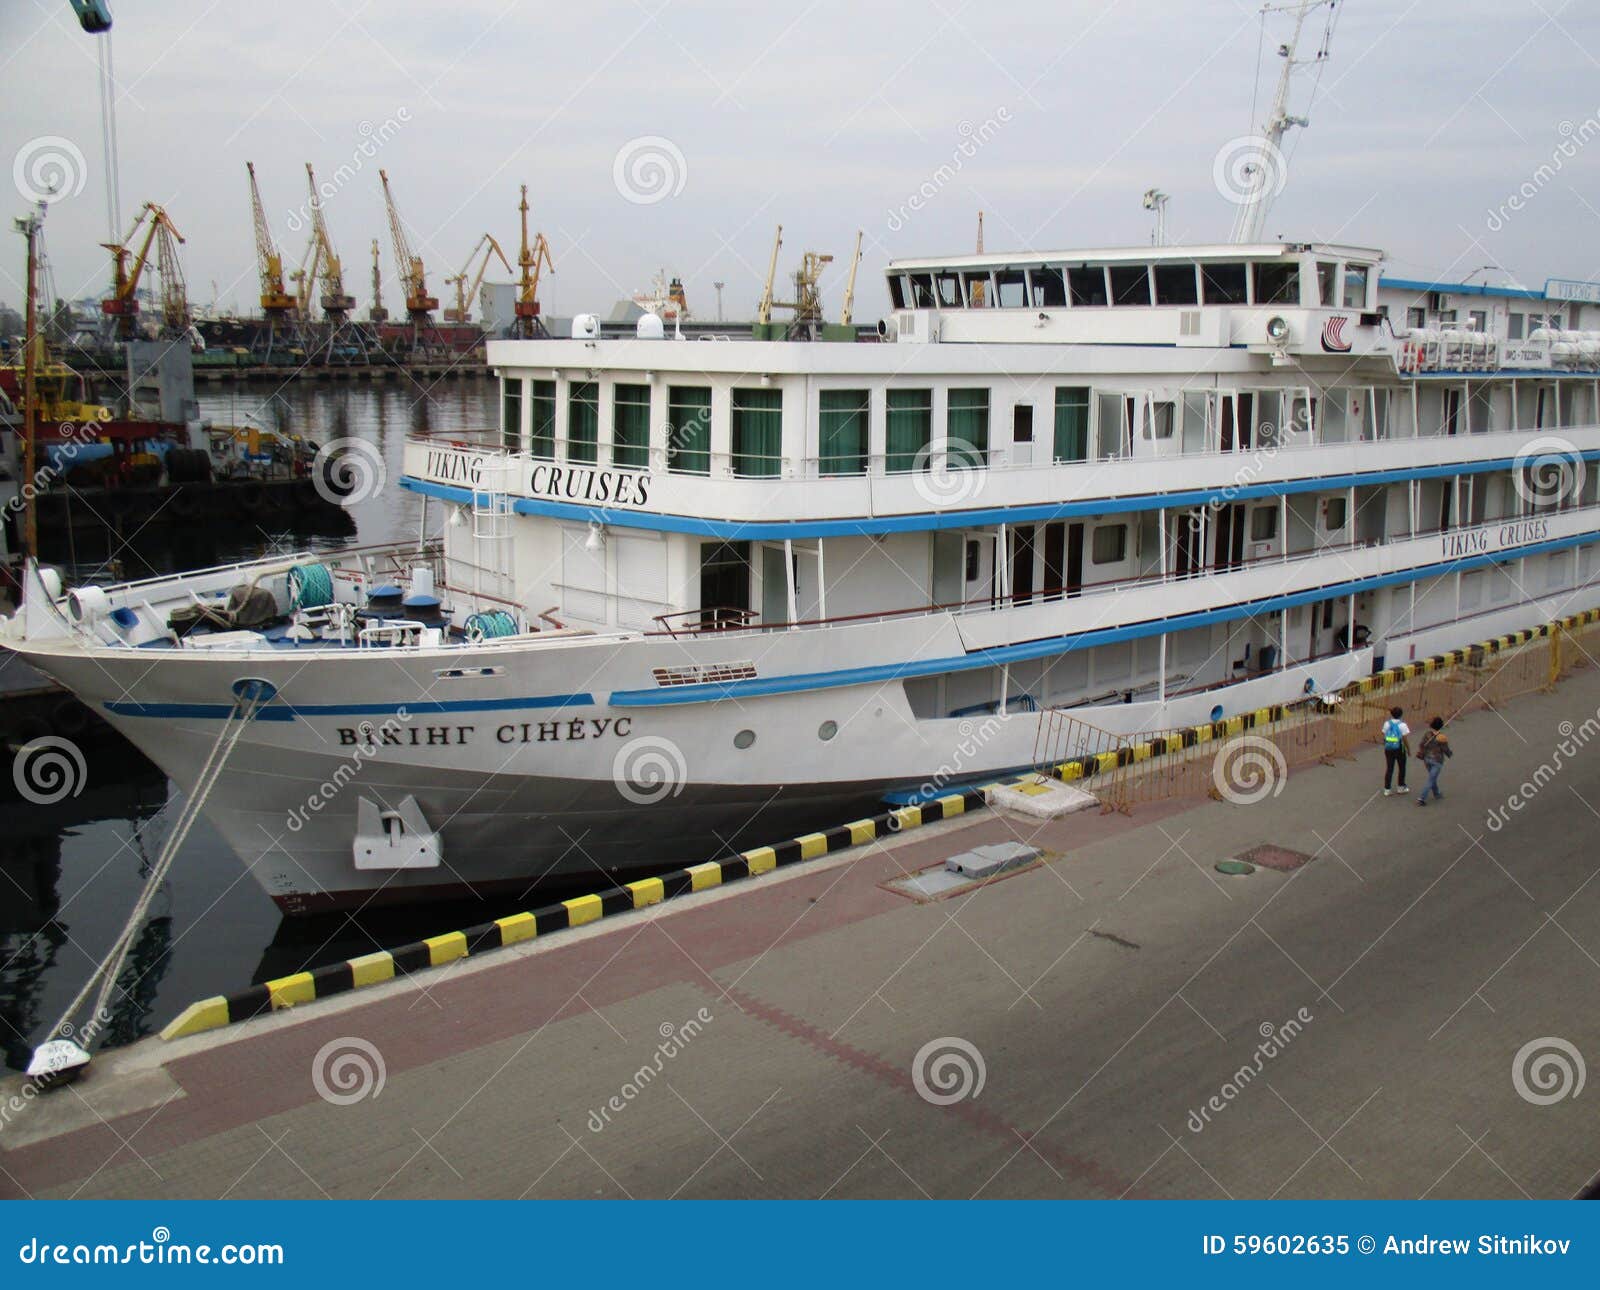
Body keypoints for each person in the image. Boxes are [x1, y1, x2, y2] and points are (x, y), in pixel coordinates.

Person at [1416, 716, 1452, 805]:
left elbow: (1421, 745)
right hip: (1437, 760)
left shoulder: (1427, 734)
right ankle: (1421, 798)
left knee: (1432, 777)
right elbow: (1446, 749)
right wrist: (1450, 754)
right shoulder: (1442, 737)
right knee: (1431, 779)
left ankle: (1437, 793)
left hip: (1427, 759)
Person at [1380, 706, 1409, 795]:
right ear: (1401, 715)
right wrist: (1408, 749)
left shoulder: (1387, 723)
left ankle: (1387, 789)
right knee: (1402, 767)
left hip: (1389, 748)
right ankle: (1401, 787)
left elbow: (1383, 733)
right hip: (1399, 748)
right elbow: (1404, 738)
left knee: (1389, 768)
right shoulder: (1402, 725)